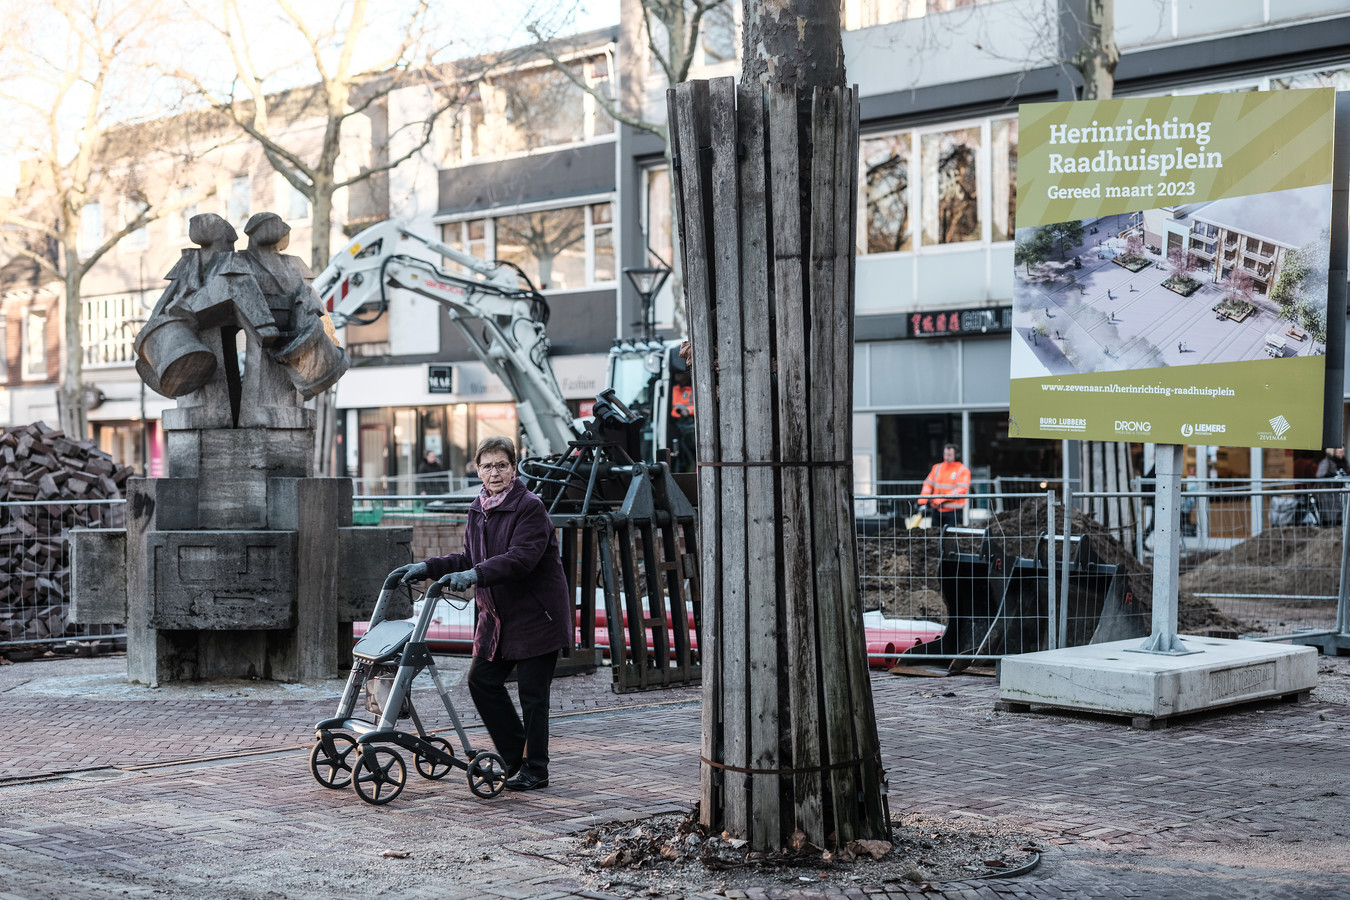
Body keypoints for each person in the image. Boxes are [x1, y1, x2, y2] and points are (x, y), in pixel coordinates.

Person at [391, 436, 570, 792]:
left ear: (514, 468)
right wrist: (427, 567)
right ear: (477, 470)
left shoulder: (530, 507)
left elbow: (520, 559)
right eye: (487, 466)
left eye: (502, 465)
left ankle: (536, 769)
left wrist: (474, 575)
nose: (494, 472)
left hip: (536, 617)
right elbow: (468, 558)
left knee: (533, 696)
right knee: (482, 681)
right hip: (498, 618)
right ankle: (515, 758)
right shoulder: (479, 508)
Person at [917, 443, 971, 531]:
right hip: (936, 510)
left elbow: (961, 489)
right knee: (935, 534)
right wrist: (924, 496)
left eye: (949, 455)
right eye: (945, 454)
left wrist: (941, 499)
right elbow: (928, 484)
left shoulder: (963, 470)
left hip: (953, 511)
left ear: (956, 455)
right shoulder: (937, 467)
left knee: (951, 536)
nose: (946, 457)